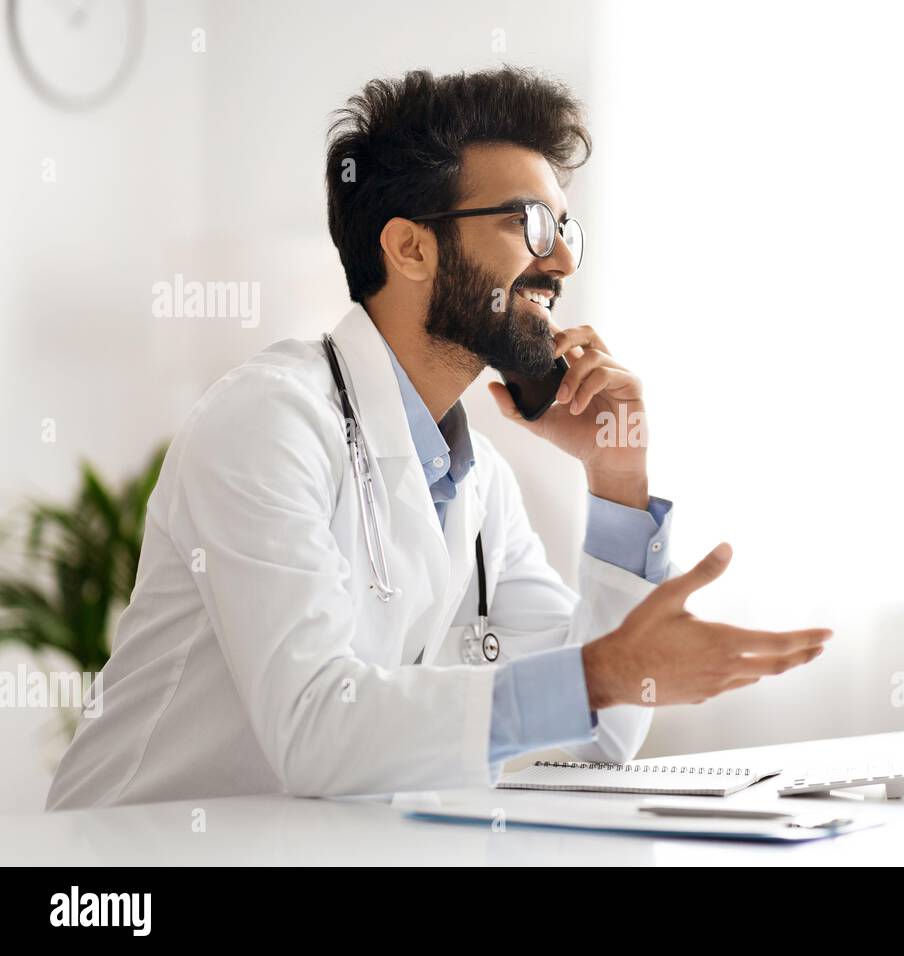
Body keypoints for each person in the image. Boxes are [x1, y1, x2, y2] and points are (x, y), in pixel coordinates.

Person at [46, 67, 832, 810]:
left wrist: (615, 477)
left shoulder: (478, 479)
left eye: (564, 228)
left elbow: (600, 732)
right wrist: (598, 673)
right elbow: (315, 728)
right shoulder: (267, 423)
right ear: (411, 246)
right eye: (529, 223)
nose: (558, 258)